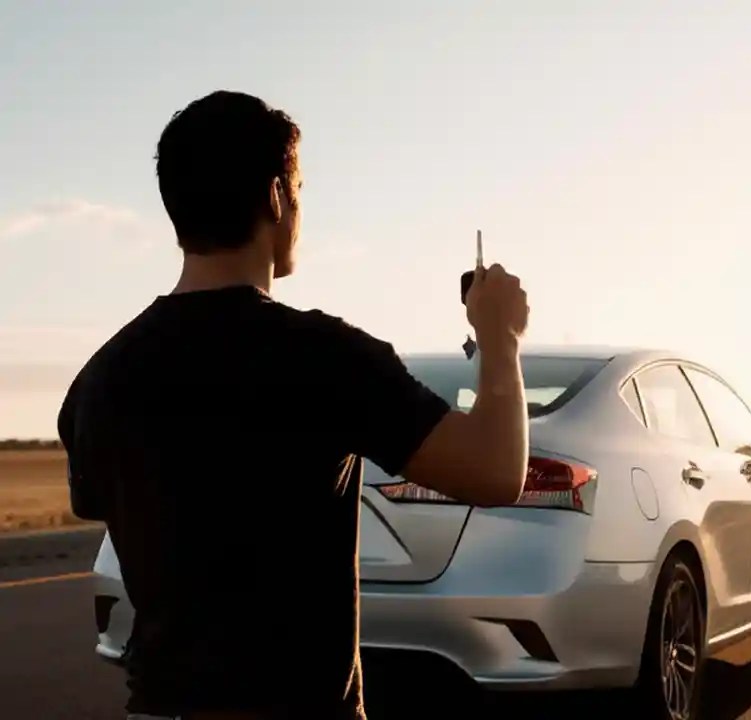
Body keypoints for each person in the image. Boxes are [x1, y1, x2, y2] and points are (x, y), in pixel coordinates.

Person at [57, 90, 531, 720]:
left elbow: (98, 504)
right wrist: (499, 336)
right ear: (277, 197)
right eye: (299, 188)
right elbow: (498, 471)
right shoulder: (326, 358)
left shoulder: (98, 381)